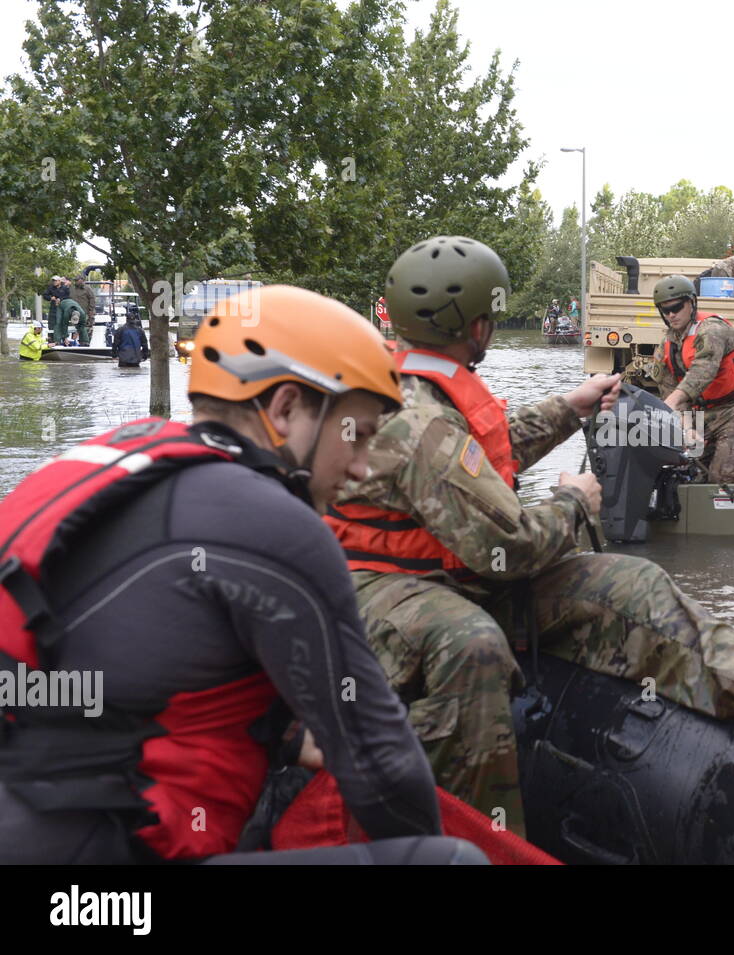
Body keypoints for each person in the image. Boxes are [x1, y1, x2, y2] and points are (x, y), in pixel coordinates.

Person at [0, 285, 483, 864]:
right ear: (283, 409)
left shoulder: (120, 457)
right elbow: (381, 762)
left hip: (41, 819)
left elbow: (145, 671)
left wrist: (284, 730)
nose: (360, 466)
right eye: (358, 433)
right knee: (451, 862)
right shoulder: (276, 522)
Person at [325, 236, 734, 838]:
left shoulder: (423, 388)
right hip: (387, 590)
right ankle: (477, 836)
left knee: (630, 581)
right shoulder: (417, 418)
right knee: (469, 642)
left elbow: (492, 440)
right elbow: (514, 550)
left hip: (448, 574)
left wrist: (570, 408)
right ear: (479, 325)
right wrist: (574, 502)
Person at [648, 274, 734, 484]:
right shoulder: (666, 347)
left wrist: (671, 402)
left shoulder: (712, 330)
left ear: (692, 303)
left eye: (677, 307)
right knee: (687, 474)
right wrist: (687, 428)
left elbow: (703, 371)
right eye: (665, 310)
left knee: (723, 477)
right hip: (705, 415)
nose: (671, 315)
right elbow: (671, 392)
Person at [70, 276, 96, 348]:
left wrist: (91, 310)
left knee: (87, 328)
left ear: (82, 280)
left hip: (86, 313)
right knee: (74, 328)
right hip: (75, 313)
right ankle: (73, 343)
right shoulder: (72, 289)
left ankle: (85, 343)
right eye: (75, 280)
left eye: (77, 280)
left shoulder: (87, 289)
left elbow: (92, 299)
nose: (76, 282)